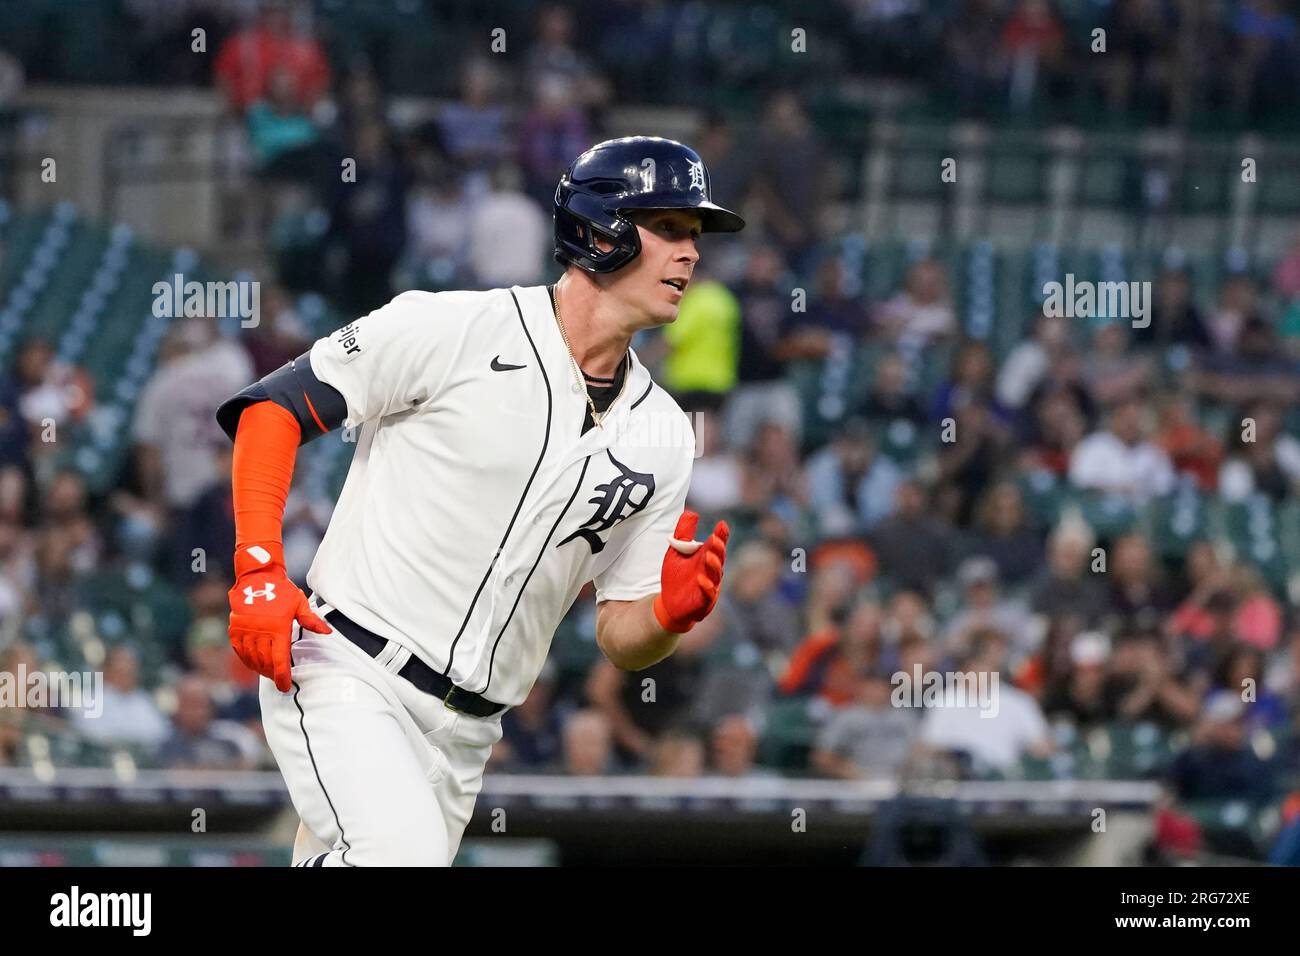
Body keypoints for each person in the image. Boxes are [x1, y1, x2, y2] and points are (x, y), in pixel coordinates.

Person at [214, 137, 741, 866]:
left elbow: (621, 635)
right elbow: (272, 410)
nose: (691, 254)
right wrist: (260, 569)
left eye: (696, 236)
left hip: (466, 738)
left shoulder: (662, 435)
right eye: (672, 229)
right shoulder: (454, 327)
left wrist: (664, 618)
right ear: (600, 228)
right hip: (350, 669)